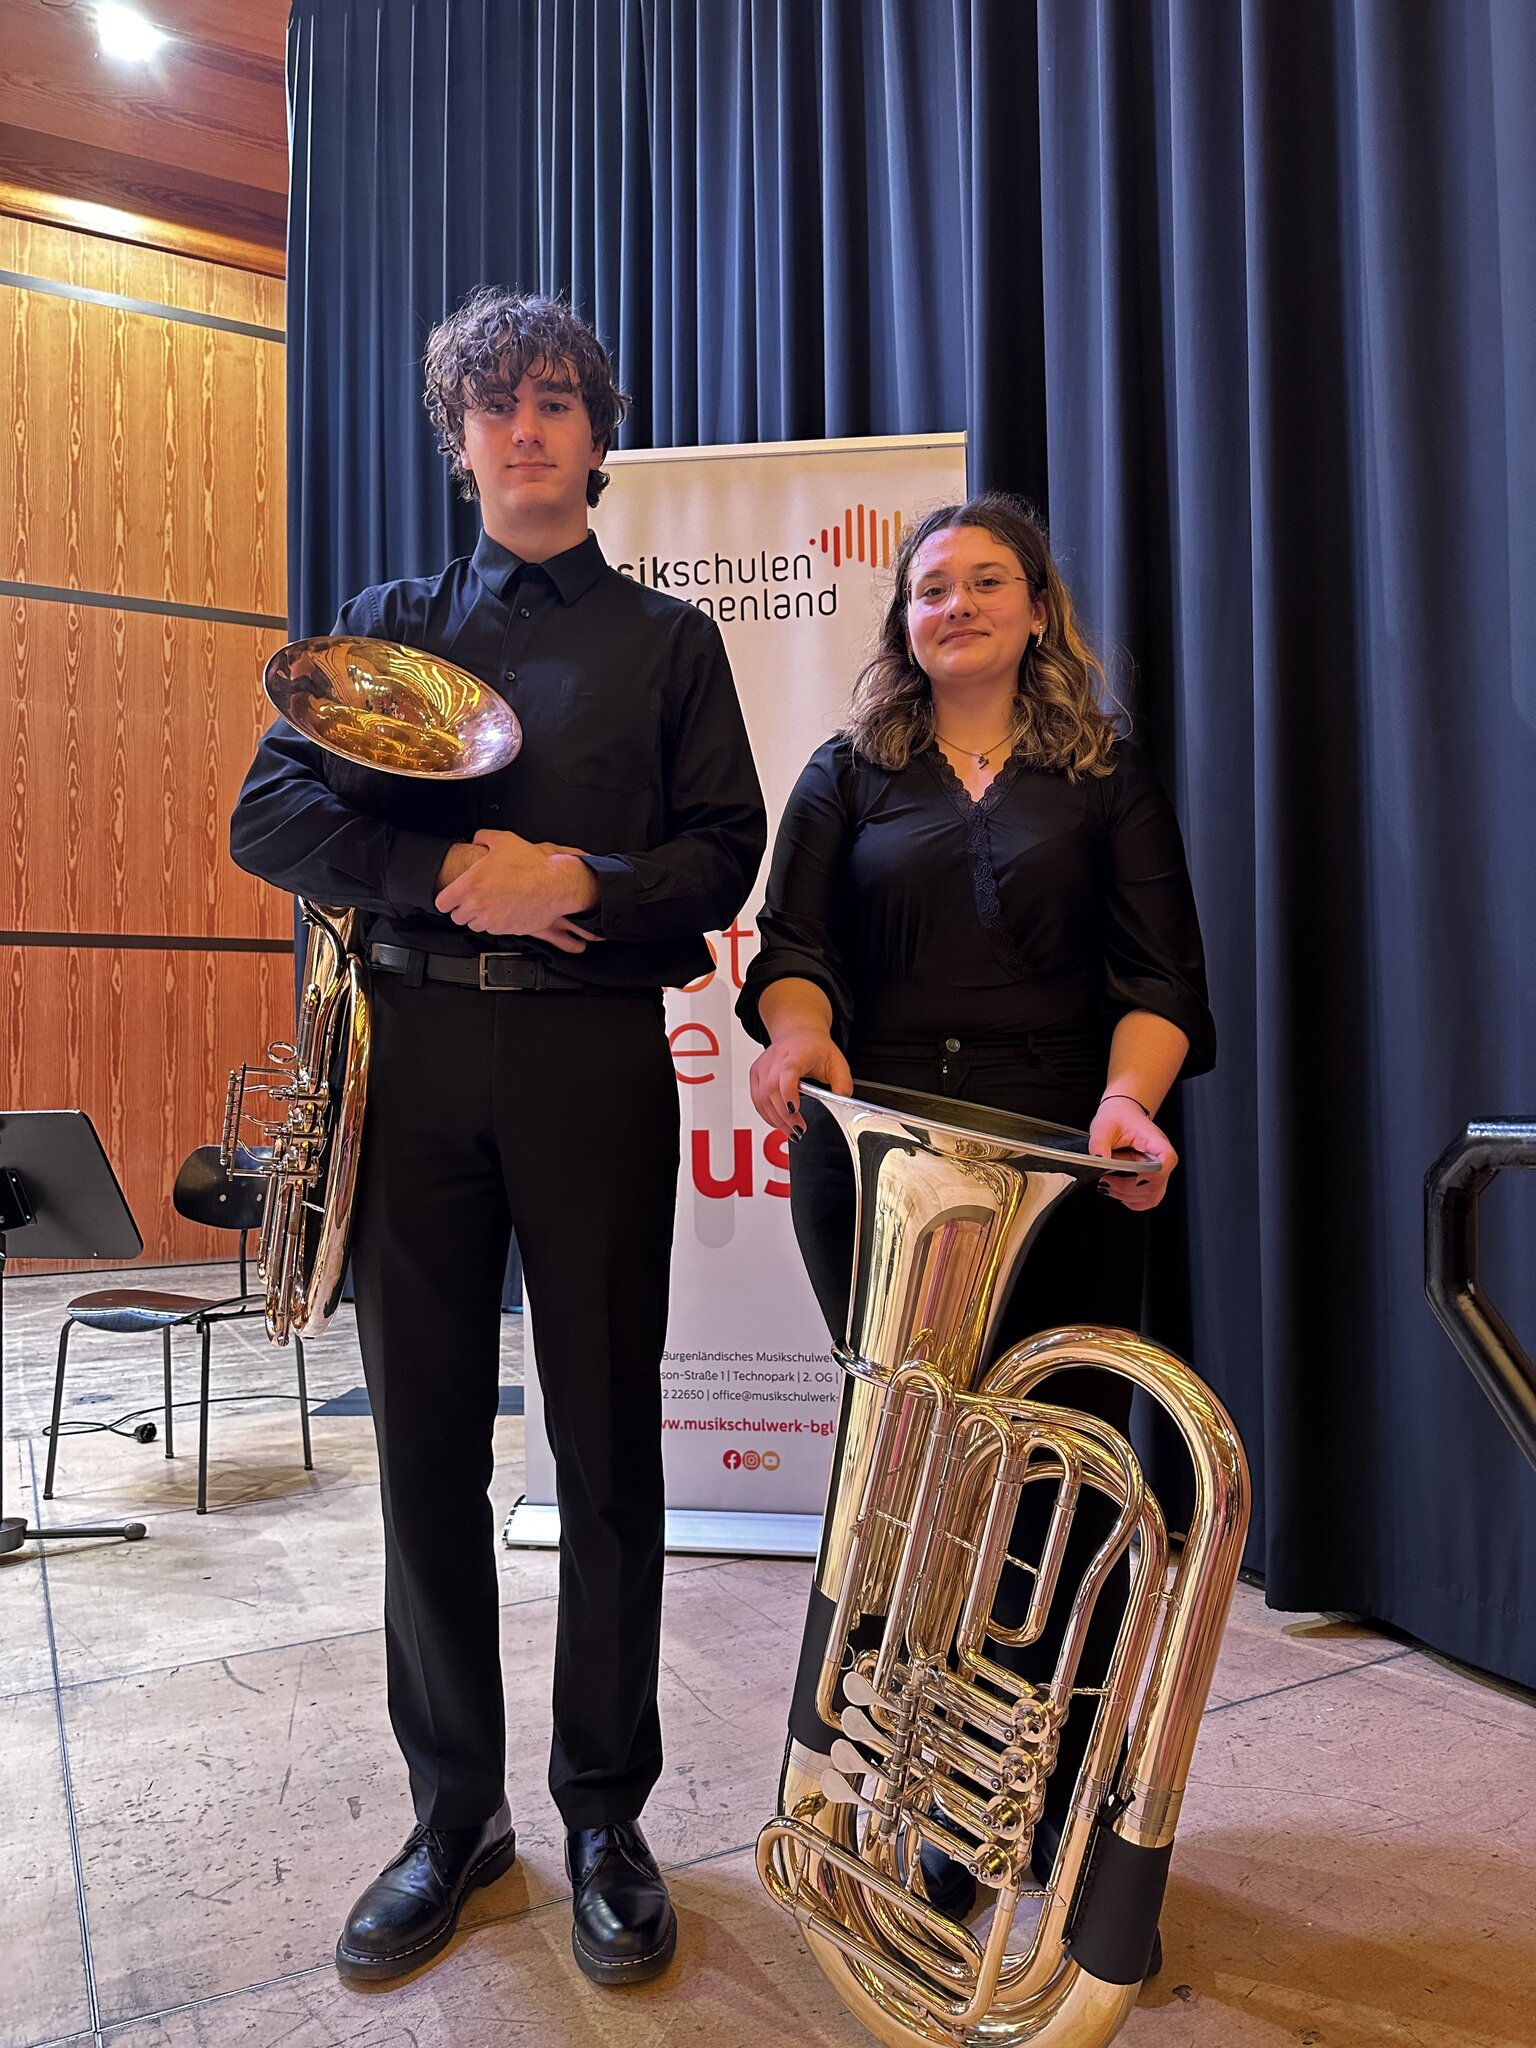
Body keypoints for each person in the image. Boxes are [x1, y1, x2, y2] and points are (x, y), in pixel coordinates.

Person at [231, 288, 765, 1987]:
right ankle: (454, 1817)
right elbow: (268, 815)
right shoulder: (386, 628)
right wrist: (453, 873)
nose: (525, 429)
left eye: (555, 402)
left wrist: (580, 882)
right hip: (417, 1056)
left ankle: (605, 1817)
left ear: (598, 437)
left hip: (594, 1059)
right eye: (495, 405)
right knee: (423, 1455)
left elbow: (723, 855)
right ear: (458, 440)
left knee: (605, 1450)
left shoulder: (671, 645)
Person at [737, 491, 1213, 1940]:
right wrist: (799, 1038)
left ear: (1039, 609)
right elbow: (793, 950)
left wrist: (1130, 1104)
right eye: (931, 587)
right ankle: (911, 1800)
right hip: (884, 1157)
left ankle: (1043, 1805)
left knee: (1057, 1496)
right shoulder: (847, 771)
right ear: (905, 620)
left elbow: (1162, 981)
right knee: (911, 1491)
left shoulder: (1106, 775)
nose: (957, 605)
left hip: (1066, 1157)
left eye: (987, 581)